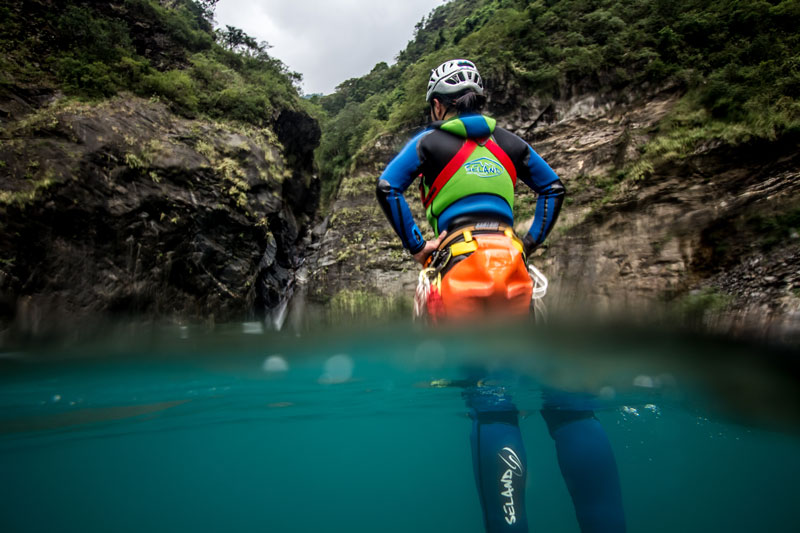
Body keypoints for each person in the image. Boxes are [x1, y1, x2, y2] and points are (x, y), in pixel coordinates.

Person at [376, 59, 626, 532]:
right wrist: (528, 242)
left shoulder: (429, 141)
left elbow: (388, 185)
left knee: (491, 399)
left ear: (437, 106)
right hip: (512, 265)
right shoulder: (510, 143)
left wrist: (415, 245)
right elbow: (552, 187)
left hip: (458, 264)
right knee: (564, 401)